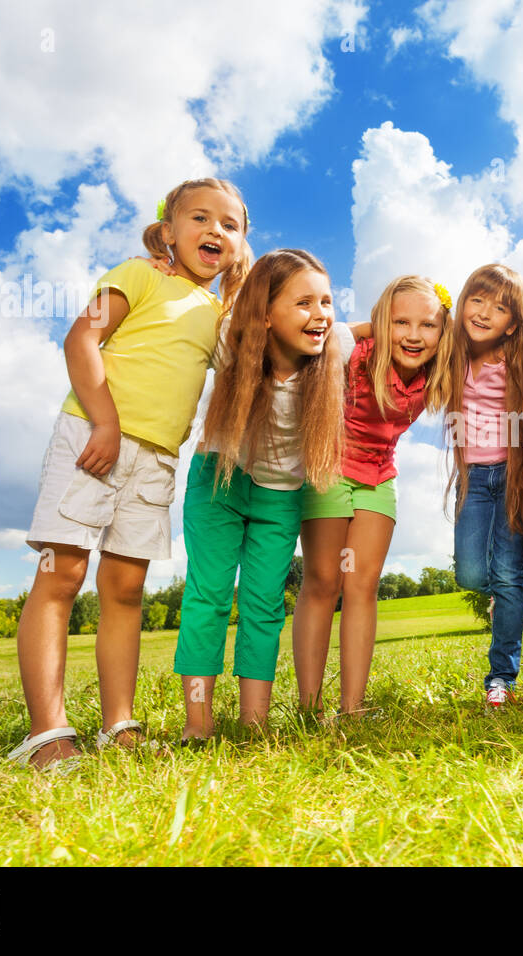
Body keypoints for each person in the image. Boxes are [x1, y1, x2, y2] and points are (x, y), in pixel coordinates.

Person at [11, 178, 250, 769]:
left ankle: (119, 722)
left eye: (230, 224)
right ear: (168, 232)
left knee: (124, 590)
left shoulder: (219, 314)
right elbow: (80, 338)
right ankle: (48, 732)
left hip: (157, 461)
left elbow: (257, 361)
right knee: (61, 574)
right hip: (94, 438)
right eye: (200, 218)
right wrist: (106, 422)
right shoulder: (138, 274)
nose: (214, 231)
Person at [175, 250, 350, 743]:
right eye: (303, 304)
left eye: (326, 301)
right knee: (208, 596)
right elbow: (202, 299)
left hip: (281, 496)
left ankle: (255, 723)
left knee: (264, 604)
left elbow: (374, 326)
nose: (320, 314)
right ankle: (198, 722)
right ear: (266, 316)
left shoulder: (336, 342)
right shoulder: (232, 345)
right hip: (219, 480)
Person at [291, 276, 450, 719]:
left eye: (428, 325)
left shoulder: (437, 372)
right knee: (324, 580)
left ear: (444, 333)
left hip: (379, 475)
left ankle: (353, 707)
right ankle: (310, 708)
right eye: (401, 322)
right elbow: (322, 337)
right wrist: (366, 330)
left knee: (362, 584)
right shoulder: (356, 354)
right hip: (328, 464)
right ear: (381, 323)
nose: (414, 335)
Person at [442, 264, 523, 707]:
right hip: (475, 479)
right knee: (471, 573)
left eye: (499, 308)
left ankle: (502, 677)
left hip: (515, 477)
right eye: (477, 300)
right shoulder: (450, 351)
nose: (484, 313)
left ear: (513, 323)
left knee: (508, 575)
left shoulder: (519, 357)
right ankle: (504, 596)